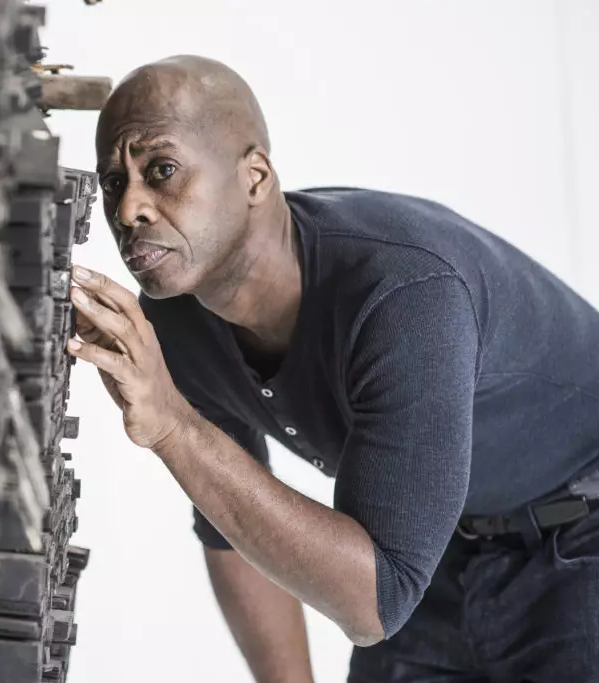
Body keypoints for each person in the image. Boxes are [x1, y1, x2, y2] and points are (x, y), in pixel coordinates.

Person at [65, 54, 599, 682]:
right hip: (444, 546)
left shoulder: (401, 294)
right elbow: (229, 526)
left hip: (579, 541)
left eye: (161, 170)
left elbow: (374, 601)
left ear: (255, 177)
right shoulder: (178, 323)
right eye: (113, 182)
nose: (130, 210)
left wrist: (173, 426)